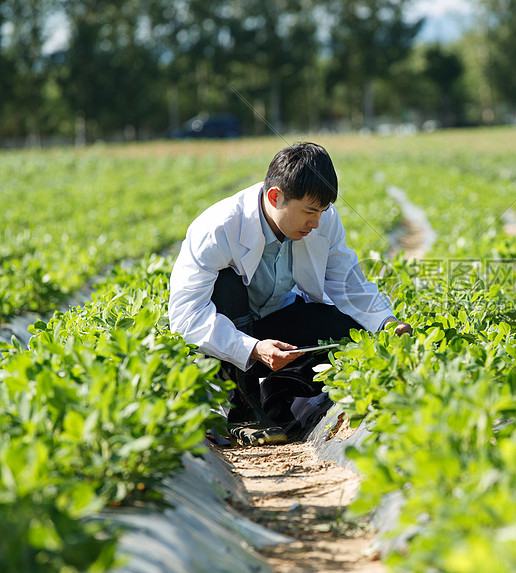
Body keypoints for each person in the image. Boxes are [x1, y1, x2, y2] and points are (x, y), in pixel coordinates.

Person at [168, 142, 411, 445]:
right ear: (275, 196)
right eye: (309, 211)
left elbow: (348, 283)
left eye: (322, 211)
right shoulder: (218, 228)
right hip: (224, 336)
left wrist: (387, 322)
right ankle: (241, 406)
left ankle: (278, 392)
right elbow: (185, 318)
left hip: (276, 320)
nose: (317, 222)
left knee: (355, 330)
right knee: (227, 283)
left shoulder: (323, 220)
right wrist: (253, 348)